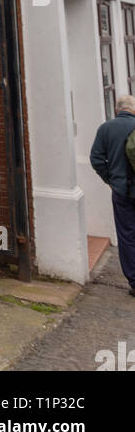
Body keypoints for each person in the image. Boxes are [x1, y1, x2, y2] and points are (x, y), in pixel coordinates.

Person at [90, 94, 135, 295]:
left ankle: (134, 281)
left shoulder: (106, 128)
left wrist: (110, 180)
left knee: (127, 235)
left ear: (117, 109)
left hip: (121, 190)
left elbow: (96, 159)